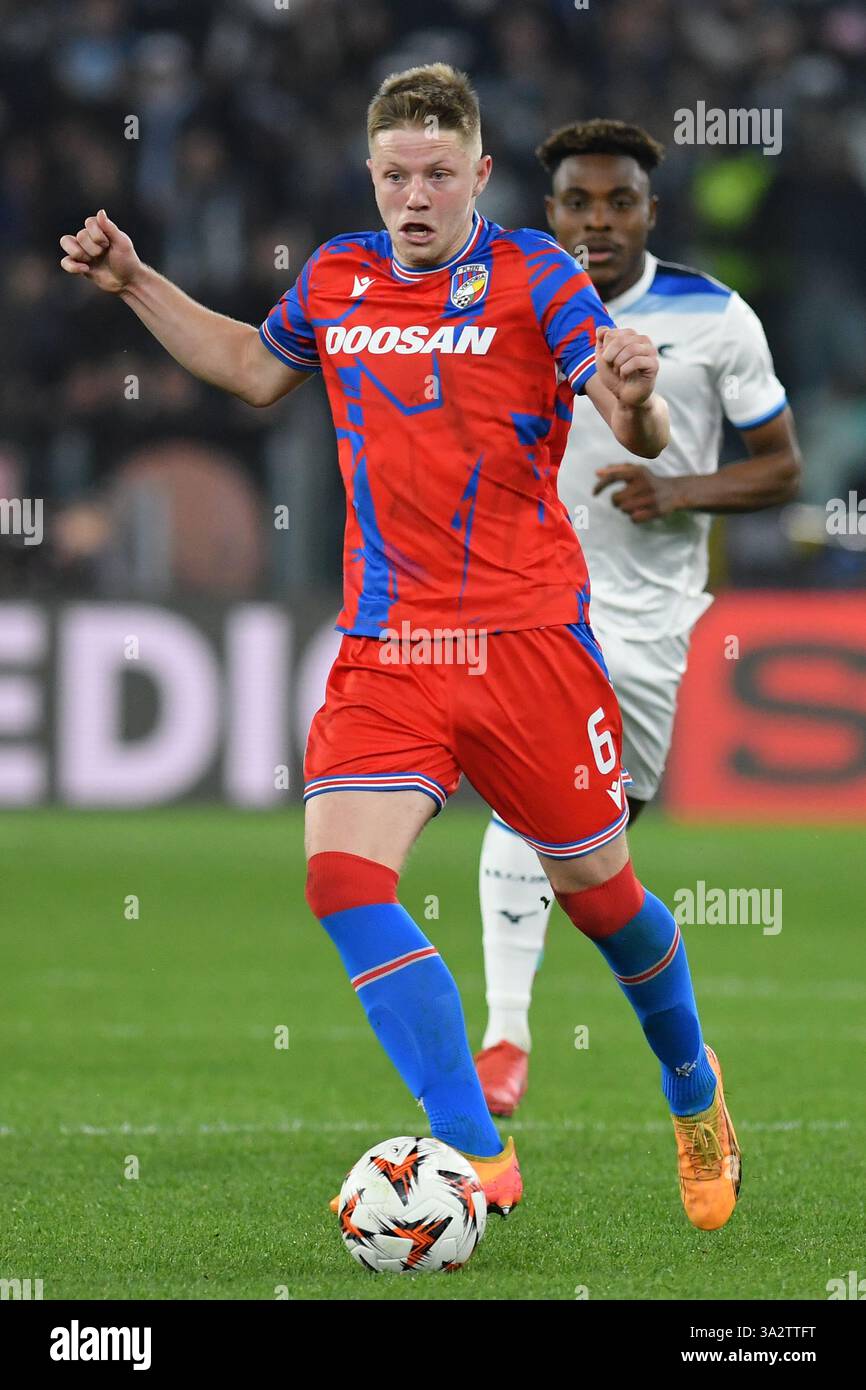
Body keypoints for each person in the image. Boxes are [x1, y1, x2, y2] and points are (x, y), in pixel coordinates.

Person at [60, 68, 739, 1236]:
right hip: (389, 649)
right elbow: (250, 368)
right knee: (339, 879)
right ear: (370, 178)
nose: (412, 197)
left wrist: (637, 403)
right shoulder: (333, 276)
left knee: (605, 904)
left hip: (528, 646)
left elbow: (630, 410)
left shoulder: (537, 274)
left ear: (477, 174)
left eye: (435, 175)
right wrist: (134, 283)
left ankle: (692, 1089)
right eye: (393, 177)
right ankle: (477, 1151)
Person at [475, 119, 800, 1121]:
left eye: (618, 203)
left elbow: (782, 469)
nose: (597, 221)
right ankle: (504, 1038)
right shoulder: (508, 302)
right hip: (526, 600)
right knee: (524, 812)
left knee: (598, 879)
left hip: (647, 623)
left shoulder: (713, 319)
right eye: (577, 202)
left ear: (649, 213)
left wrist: (680, 491)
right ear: (549, 212)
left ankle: (686, 1073)